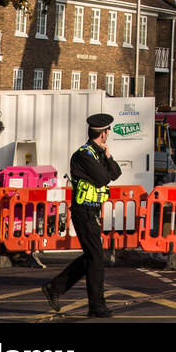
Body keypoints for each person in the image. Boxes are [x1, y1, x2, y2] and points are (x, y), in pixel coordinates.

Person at [42, 113, 122, 318]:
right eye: (107, 131)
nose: (108, 134)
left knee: (92, 257)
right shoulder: (84, 155)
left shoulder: (97, 154)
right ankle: (96, 306)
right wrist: (106, 161)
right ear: (103, 134)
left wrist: (108, 157)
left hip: (91, 211)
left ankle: (55, 288)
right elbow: (105, 177)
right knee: (96, 257)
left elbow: (116, 172)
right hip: (83, 212)